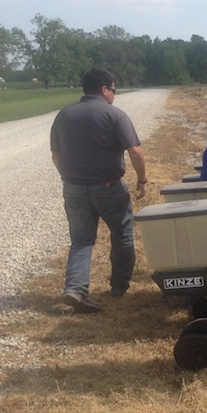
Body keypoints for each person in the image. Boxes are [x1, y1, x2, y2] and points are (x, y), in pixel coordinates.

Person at [50, 68, 148, 313]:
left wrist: (69, 177)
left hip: (73, 189)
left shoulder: (64, 115)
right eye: (113, 89)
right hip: (108, 187)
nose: (114, 94)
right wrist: (142, 181)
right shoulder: (114, 115)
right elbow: (135, 151)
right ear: (104, 89)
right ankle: (119, 286)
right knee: (122, 234)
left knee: (81, 241)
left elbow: (56, 156)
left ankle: (75, 289)